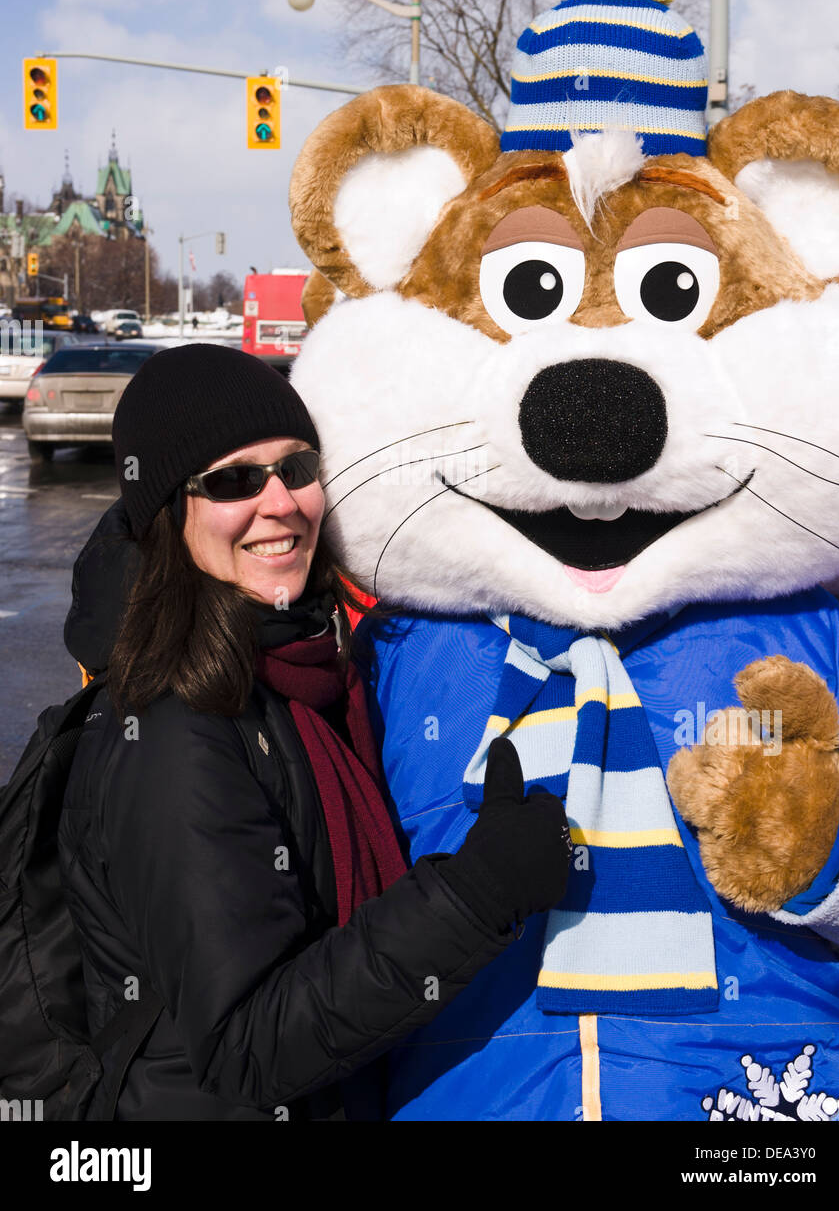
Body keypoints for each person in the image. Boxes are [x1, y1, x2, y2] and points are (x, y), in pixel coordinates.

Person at [58, 343, 570, 1121]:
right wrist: (477, 894)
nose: (281, 503)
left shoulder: (302, 663)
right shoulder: (171, 730)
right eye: (233, 481)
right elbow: (248, 1047)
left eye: (295, 468)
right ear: (169, 514)